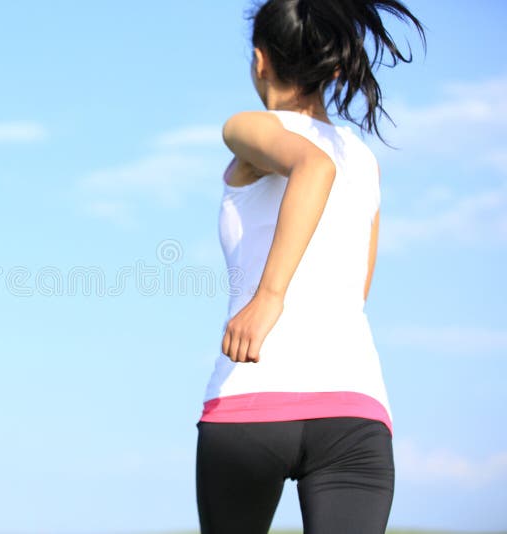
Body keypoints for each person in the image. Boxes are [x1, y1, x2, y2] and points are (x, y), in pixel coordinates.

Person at [195, 1, 426, 533]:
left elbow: (311, 165)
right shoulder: (362, 158)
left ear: (260, 61)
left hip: (252, 399)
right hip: (355, 410)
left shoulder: (246, 128)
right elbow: (356, 291)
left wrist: (269, 296)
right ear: (332, 65)